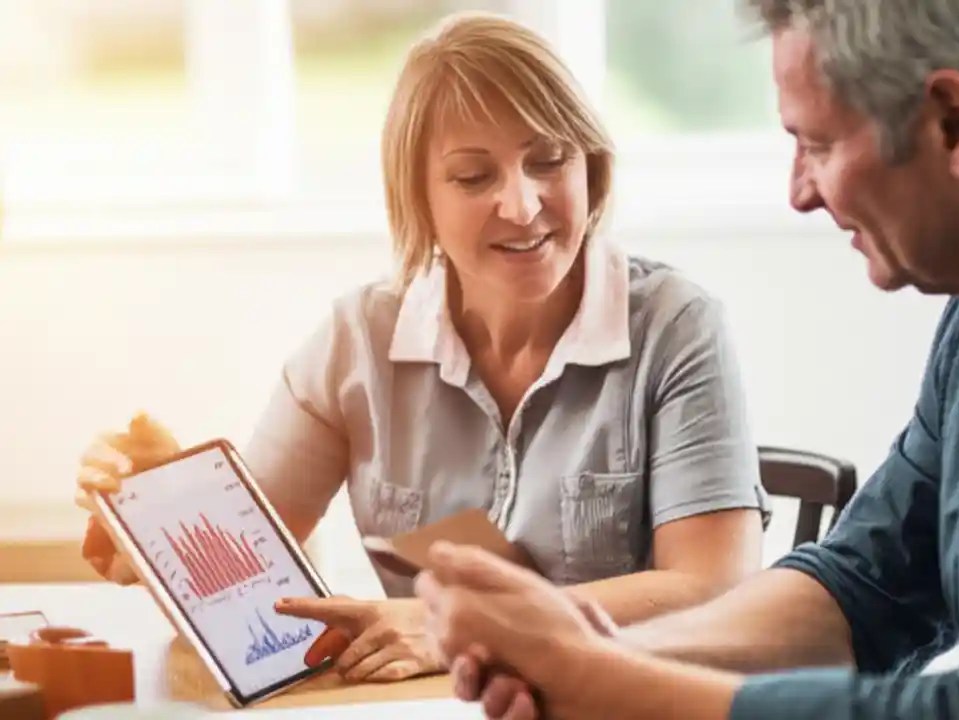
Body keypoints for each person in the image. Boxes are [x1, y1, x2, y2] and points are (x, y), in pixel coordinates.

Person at [417, 0, 959, 718]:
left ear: (955, 124)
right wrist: (587, 647)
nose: (799, 191)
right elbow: (866, 587)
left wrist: (599, 679)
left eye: (818, 145)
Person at [74, 12, 769, 685]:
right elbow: (248, 581)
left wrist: (471, 625)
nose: (523, 205)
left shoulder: (678, 325)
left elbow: (713, 587)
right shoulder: (358, 340)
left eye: (549, 160)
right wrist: (154, 510)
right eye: (474, 177)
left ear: (591, 167)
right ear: (419, 197)